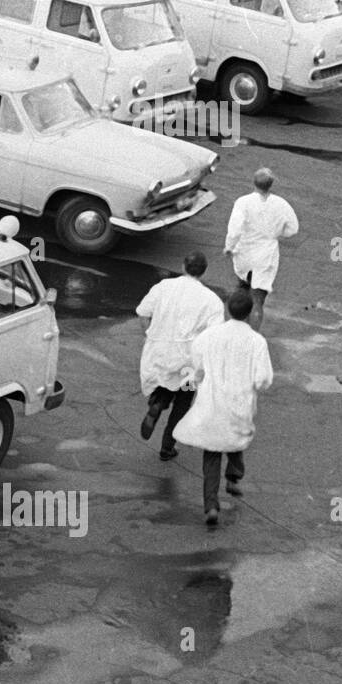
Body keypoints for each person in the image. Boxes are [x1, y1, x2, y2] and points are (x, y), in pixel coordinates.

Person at [173, 289, 275, 526]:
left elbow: (196, 363)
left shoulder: (209, 336)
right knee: (235, 438)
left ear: (227, 309)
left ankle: (210, 505)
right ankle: (234, 476)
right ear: (250, 314)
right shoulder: (257, 342)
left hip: (212, 402)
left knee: (212, 451)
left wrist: (199, 377)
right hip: (239, 403)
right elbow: (263, 379)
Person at [136, 251, 224, 460]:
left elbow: (142, 313)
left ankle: (157, 403)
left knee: (164, 383)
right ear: (203, 272)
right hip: (188, 363)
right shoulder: (212, 301)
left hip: (160, 351)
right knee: (183, 401)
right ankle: (167, 446)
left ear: (183, 266)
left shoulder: (163, 287)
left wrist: (149, 336)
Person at [224, 168, 298, 330]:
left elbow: (235, 229)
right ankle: (253, 335)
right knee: (257, 299)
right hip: (266, 255)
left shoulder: (243, 202)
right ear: (271, 185)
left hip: (245, 253)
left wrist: (229, 247)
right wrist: (277, 234)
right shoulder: (281, 204)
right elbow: (293, 229)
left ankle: (233, 327)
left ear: (254, 182)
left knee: (241, 290)